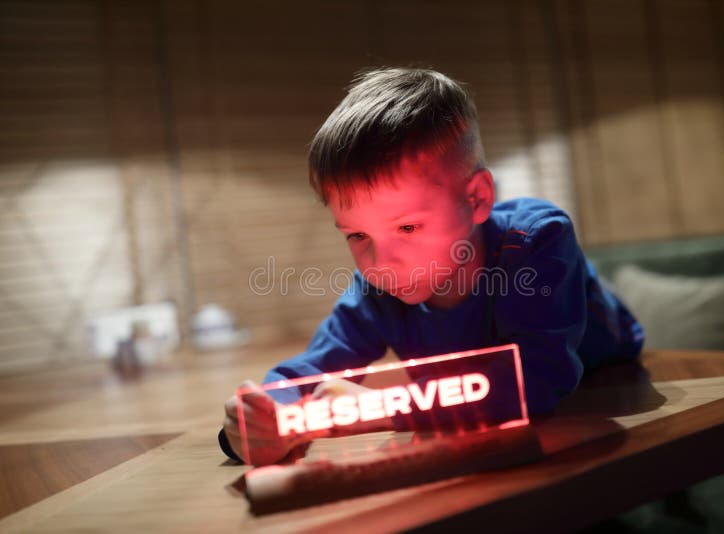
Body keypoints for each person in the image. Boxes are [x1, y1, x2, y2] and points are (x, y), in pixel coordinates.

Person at [220, 67, 644, 465]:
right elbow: (314, 367)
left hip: (610, 377)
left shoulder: (533, 242)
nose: (381, 262)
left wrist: (380, 409)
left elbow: (538, 378)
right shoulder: (378, 289)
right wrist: (262, 416)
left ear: (476, 199)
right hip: (486, 400)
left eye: (407, 227)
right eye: (357, 235)